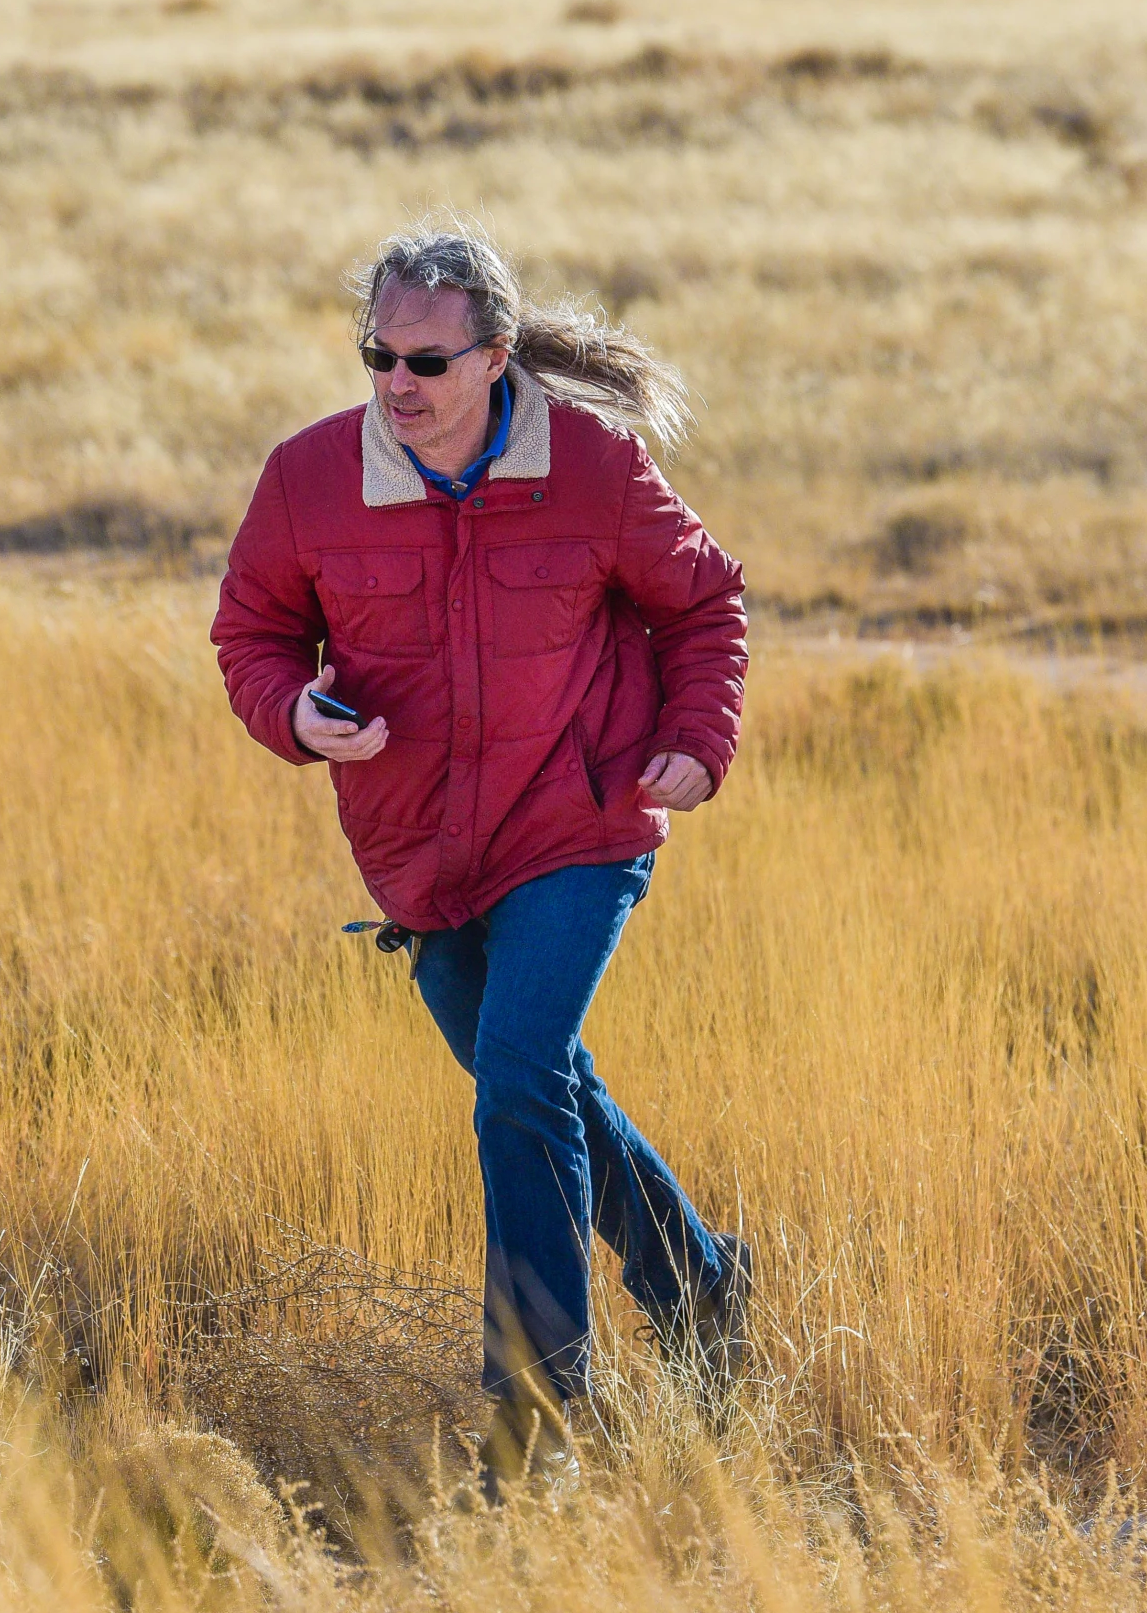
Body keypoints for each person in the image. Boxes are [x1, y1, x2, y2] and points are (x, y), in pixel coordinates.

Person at [211, 223, 750, 1495]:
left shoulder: (593, 470)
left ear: (496, 356)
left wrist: (694, 739)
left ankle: (540, 1401)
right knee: (541, 1078)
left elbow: (706, 604)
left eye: (427, 359)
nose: (397, 381)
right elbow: (253, 629)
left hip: (578, 824)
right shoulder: (311, 479)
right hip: (420, 854)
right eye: (376, 353)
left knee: (514, 1073)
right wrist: (293, 712)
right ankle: (700, 1279)